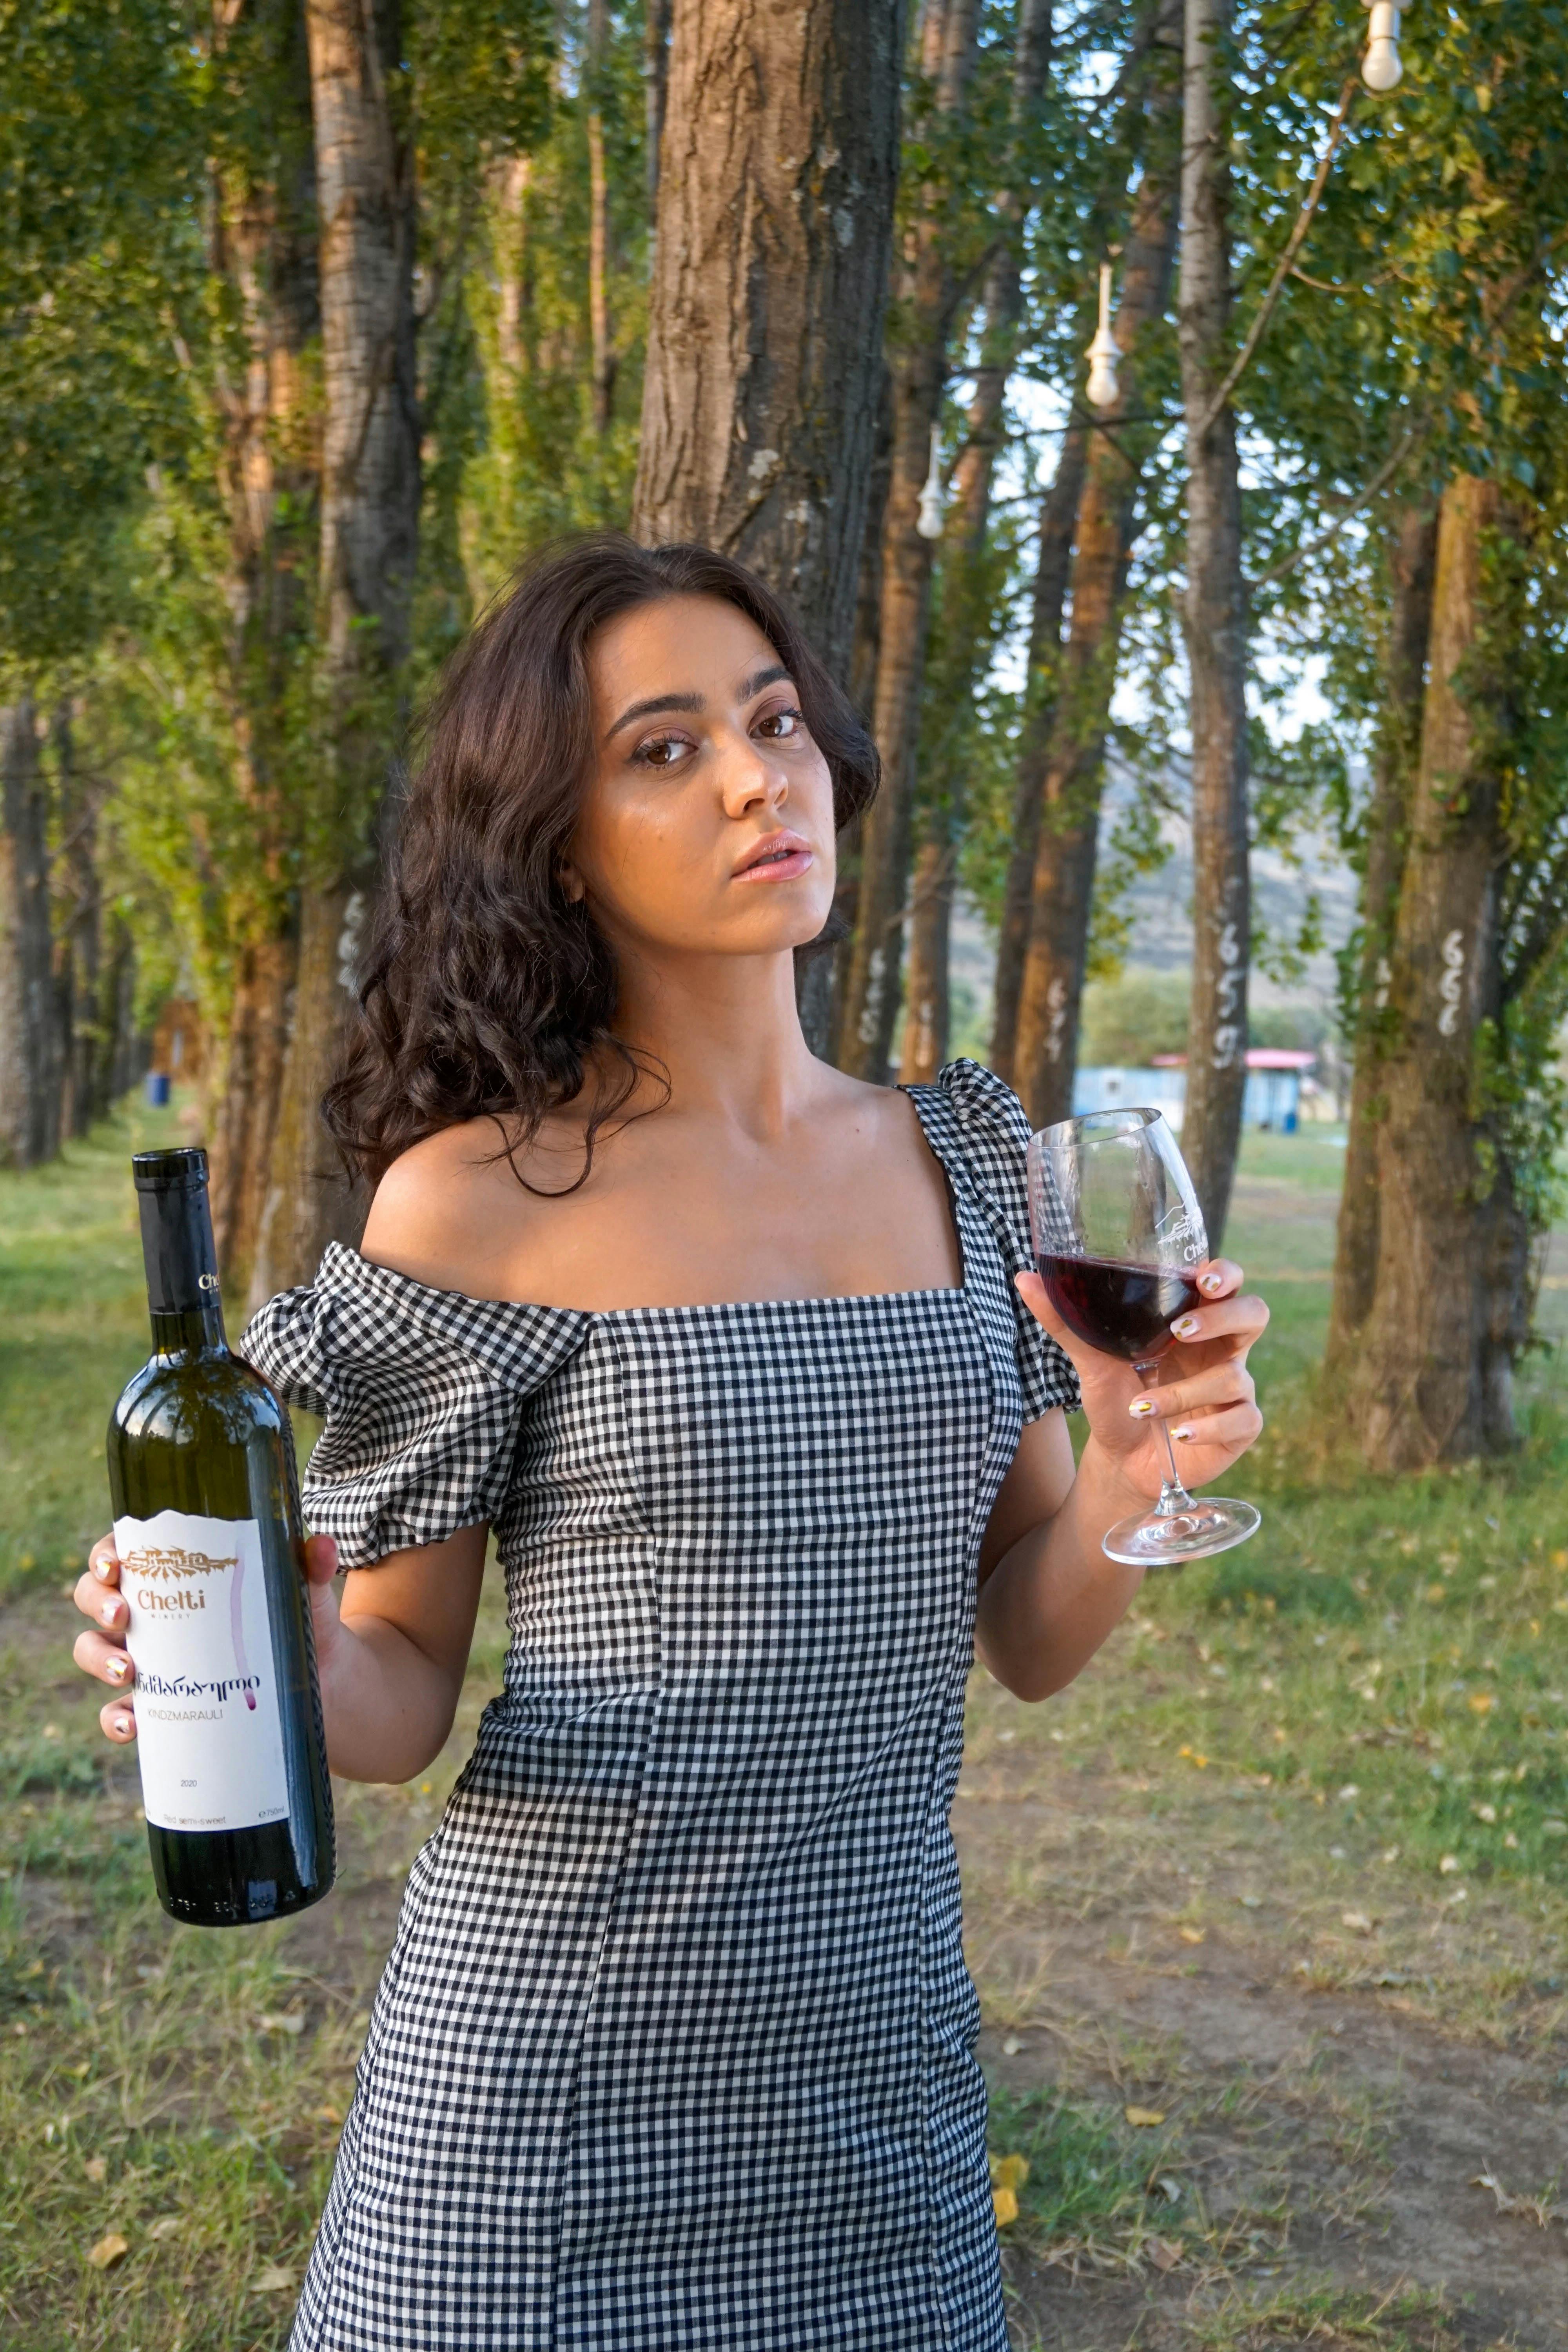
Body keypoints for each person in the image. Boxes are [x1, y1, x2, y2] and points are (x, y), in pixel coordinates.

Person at [72, 536, 1267, 2351]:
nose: (752, 775)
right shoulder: (475, 1200)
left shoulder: (962, 1153)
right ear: (559, 841)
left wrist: (1122, 1472)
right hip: (545, 2092)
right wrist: (292, 1656)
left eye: (773, 720)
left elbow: (1021, 1638)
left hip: (877, 2096)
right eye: (662, 746)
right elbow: (396, 1690)